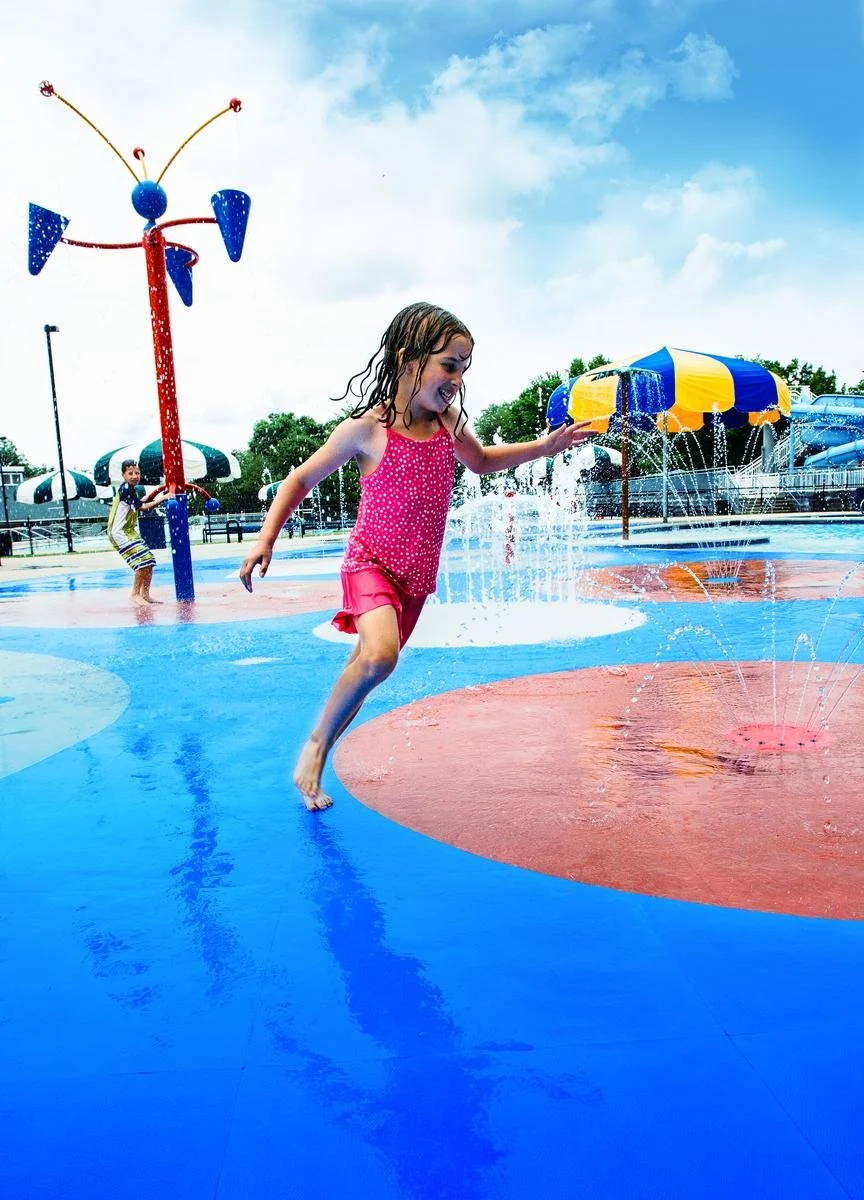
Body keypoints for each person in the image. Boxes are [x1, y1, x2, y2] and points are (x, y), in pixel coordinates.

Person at [239, 301, 590, 810]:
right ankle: (315, 745)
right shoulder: (367, 428)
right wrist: (266, 538)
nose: (458, 380)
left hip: (415, 579)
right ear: (409, 359)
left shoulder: (449, 424)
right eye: (449, 365)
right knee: (380, 656)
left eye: (464, 368)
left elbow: (482, 462)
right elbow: (299, 479)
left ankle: (320, 747)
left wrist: (543, 448)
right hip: (370, 563)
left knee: (369, 668)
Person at [107, 459, 168, 606]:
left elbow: (139, 502)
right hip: (119, 533)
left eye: (137, 473)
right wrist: (164, 497)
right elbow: (144, 508)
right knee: (143, 560)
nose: (134, 476)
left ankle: (145, 594)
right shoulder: (125, 489)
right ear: (123, 475)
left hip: (129, 531)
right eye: (130, 473)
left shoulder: (130, 490)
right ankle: (135, 594)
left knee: (149, 560)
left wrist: (155, 495)